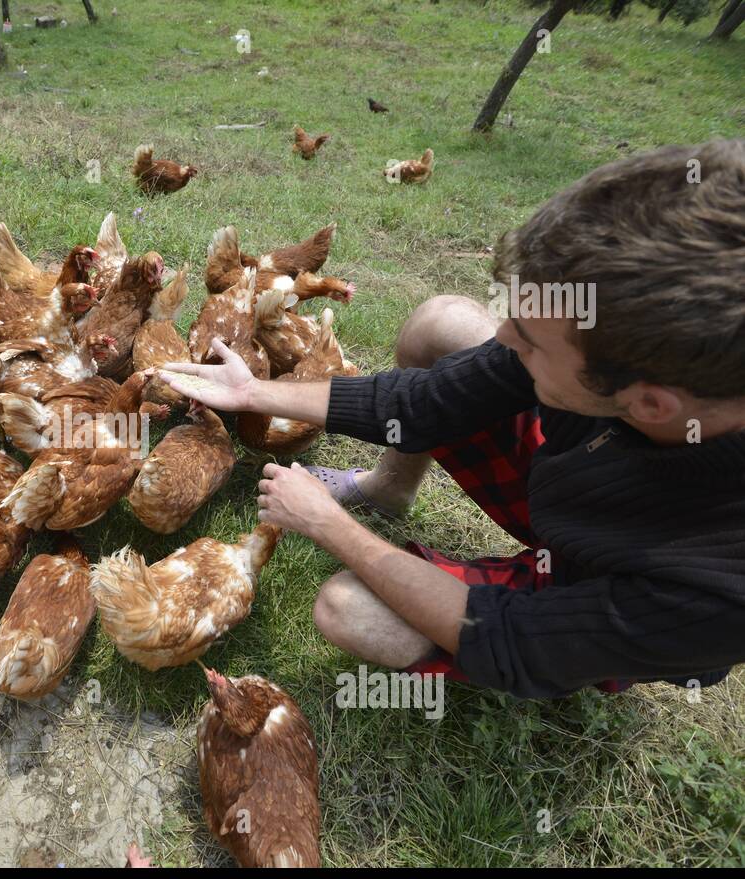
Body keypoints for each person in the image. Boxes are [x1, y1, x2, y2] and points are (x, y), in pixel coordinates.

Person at [160, 139, 745, 699]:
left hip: (597, 590)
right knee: (443, 325)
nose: (507, 334)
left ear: (650, 404)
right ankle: (389, 488)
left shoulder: (717, 594)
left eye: (535, 340)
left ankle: (598, 660)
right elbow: (425, 400)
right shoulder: (621, 364)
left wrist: (328, 526)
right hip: (579, 480)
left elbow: (514, 640)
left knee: (350, 609)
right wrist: (254, 391)